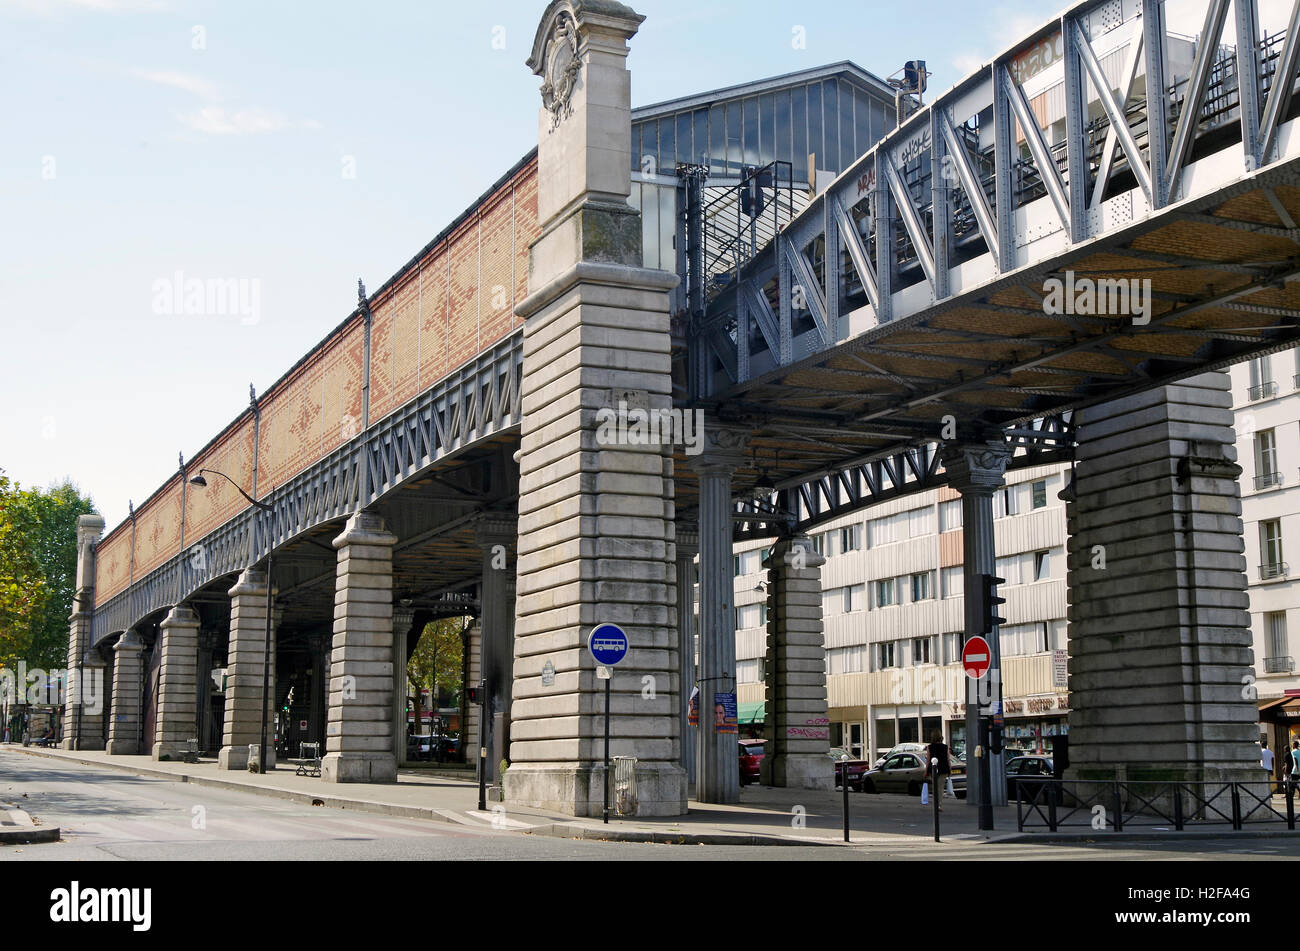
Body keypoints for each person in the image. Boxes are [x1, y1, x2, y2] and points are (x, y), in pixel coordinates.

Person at [926, 733, 954, 809]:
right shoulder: (946, 747)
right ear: (941, 738)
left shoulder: (929, 747)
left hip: (933, 769)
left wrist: (926, 771)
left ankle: (936, 804)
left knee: (935, 787)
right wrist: (950, 770)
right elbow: (948, 759)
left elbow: (928, 760)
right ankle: (939, 804)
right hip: (943, 769)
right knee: (940, 788)